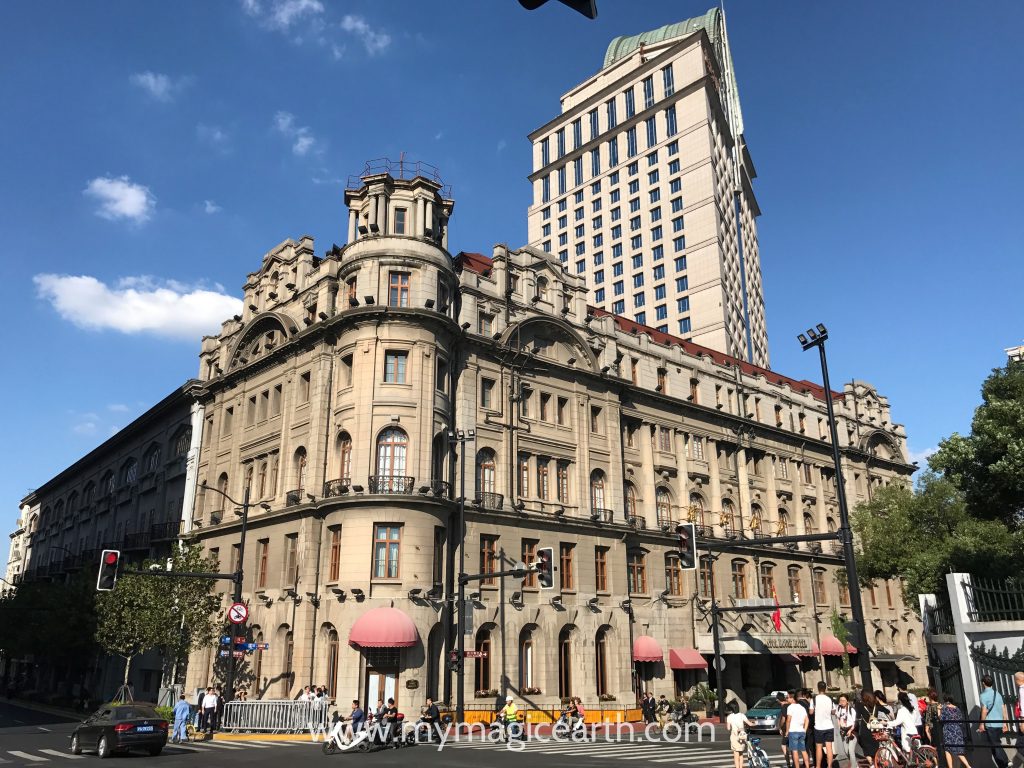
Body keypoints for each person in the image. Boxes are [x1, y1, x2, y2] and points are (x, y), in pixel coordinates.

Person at [979, 675, 1009, 768]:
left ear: (983, 683)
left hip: (991, 724)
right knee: (994, 746)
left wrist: (981, 724)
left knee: (995, 745)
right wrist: (1004, 723)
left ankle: (1006, 761)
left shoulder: (983, 695)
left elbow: (984, 710)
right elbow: (1004, 709)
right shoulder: (998, 694)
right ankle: (1002, 765)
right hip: (999, 724)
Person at [940, 695, 972, 768]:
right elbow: (960, 720)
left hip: (948, 730)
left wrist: (939, 710)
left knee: (947, 749)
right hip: (957, 730)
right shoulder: (957, 708)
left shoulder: (944, 708)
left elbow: (941, 719)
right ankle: (968, 766)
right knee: (959, 750)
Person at [784, 690, 812, 768]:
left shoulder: (790, 707)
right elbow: (807, 720)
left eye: (788, 698)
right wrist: (804, 730)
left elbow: (788, 720)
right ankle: (807, 766)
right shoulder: (801, 707)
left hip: (793, 731)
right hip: (801, 731)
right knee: (803, 751)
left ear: (792, 698)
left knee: (795, 751)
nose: (787, 699)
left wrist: (786, 731)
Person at [813, 681, 836, 768]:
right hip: (829, 725)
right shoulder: (829, 699)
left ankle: (818, 766)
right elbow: (833, 712)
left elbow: (811, 711)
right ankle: (829, 766)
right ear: (825, 688)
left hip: (818, 726)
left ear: (818, 688)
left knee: (818, 747)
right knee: (829, 747)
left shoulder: (814, 699)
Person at [854, 690, 881, 761]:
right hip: (875, 728)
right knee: (875, 748)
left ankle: (871, 764)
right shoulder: (876, 705)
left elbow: (858, 716)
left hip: (865, 729)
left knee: (867, 751)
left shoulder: (860, 705)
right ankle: (876, 763)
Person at [727, 700, 754, 768]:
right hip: (742, 736)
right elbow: (749, 724)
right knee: (741, 754)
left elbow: (728, 728)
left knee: (736, 755)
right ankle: (741, 766)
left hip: (735, 737)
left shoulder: (729, 717)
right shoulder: (742, 715)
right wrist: (755, 723)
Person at [836, 694, 857, 766]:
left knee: (851, 751)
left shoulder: (851, 710)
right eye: (840, 700)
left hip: (852, 731)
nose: (842, 702)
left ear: (847, 701)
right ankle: (855, 764)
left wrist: (850, 730)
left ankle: (854, 766)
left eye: (843, 700)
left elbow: (855, 723)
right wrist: (839, 727)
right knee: (846, 751)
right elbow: (838, 718)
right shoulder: (839, 709)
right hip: (843, 732)